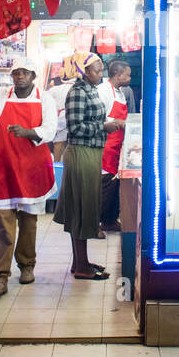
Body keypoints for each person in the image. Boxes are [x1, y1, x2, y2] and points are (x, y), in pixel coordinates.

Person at [0, 58, 56, 298]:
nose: (20, 77)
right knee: (1, 224)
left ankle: (27, 265)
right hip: (4, 168)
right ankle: (0, 276)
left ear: (33, 76)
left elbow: (50, 129)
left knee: (28, 222)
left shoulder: (44, 98)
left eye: (24, 73)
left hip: (32, 168)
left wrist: (27, 132)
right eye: (16, 73)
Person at [54, 52, 118, 280]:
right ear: (84, 71)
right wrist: (104, 127)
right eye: (97, 70)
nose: (101, 74)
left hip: (91, 153)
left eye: (101, 70)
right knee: (81, 210)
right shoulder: (77, 92)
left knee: (83, 208)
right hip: (81, 154)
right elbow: (76, 127)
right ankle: (81, 267)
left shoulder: (90, 90)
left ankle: (80, 261)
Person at [99, 59, 132, 233]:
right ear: (118, 75)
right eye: (127, 74)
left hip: (118, 145)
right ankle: (96, 223)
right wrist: (117, 122)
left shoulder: (120, 92)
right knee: (104, 186)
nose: (129, 77)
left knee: (114, 186)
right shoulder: (104, 91)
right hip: (106, 145)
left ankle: (110, 220)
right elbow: (97, 117)